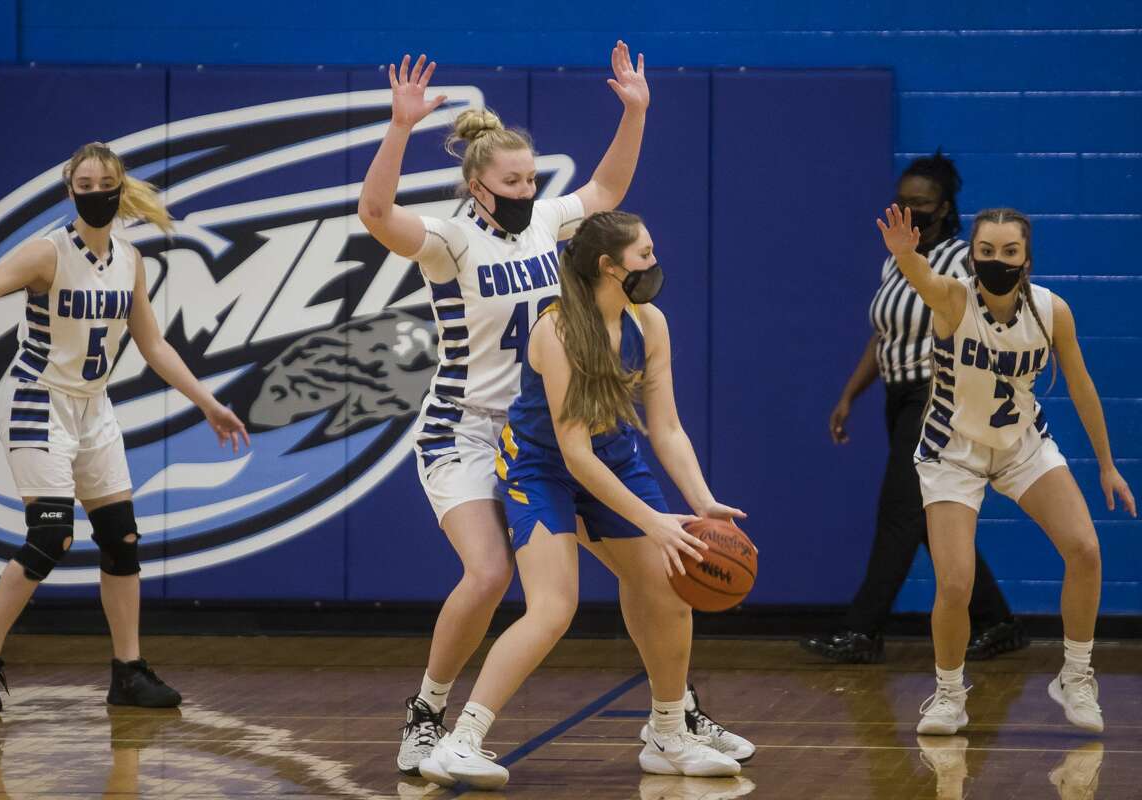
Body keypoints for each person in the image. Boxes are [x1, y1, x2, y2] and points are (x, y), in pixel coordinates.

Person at [360, 45, 745, 775]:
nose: (527, 188)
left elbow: (606, 189)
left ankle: (675, 713)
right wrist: (400, 127)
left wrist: (635, 110)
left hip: (552, 422)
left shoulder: (547, 227)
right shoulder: (450, 239)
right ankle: (428, 716)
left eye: (533, 177)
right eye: (513, 179)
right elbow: (375, 212)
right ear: (478, 185)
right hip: (470, 428)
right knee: (487, 576)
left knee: (653, 574)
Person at [418, 210, 754, 790]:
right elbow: (574, 456)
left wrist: (701, 504)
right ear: (609, 266)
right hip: (542, 469)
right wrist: (654, 521)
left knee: (670, 586)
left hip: (616, 460)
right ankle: (461, 740)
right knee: (553, 607)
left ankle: (668, 731)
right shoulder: (560, 331)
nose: (655, 264)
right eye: (644, 255)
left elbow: (667, 429)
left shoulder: (649, 324)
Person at [0, 142, 249, 713]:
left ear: (119, 186)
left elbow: (153, 343)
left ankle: (128, 671)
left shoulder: (130, 259)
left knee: (122, 539)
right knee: (52, 536)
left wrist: (208, 402)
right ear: (69, 191)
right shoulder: (46, 253)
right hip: (39, 401)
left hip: (94, 409)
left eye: (103, 184)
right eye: (83, 186)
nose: (95, 194)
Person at [875, 204, 1135, 735]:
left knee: (1085, 549)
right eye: (987, 251)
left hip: (1022, 445)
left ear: (1027, 258)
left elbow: (1082, 387)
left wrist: (1108, 465)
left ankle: (1077, 676)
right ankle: (949, 694)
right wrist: (906, 255)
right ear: (972, 255)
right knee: (954, 583)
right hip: (953, 450)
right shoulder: (953, 297)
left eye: (1009, 251)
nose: (997, 260)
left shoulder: (1051, 311)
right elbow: (921, 275)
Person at [803, 153, 1026, 664]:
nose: (910, 210)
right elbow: (884, 336)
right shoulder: (894, 261)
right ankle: (1000, 622)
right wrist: (848, 395)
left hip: (938, 396)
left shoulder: (959, 260)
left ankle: (862, 630)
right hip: (898, 395)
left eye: (920, 203)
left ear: (945, 207)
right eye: (902, 202)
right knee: (927, 518)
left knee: (899, 509)